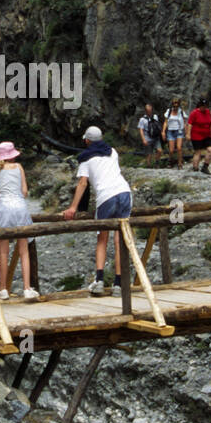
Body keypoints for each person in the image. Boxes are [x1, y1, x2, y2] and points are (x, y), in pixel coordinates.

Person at [62, 126, 133, 296]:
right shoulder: (113, 152)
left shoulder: (85, 159)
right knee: (119, 240)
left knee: (102, 238)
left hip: (106, 197)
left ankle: (99, 280)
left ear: (87, 140)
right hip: (124, 192)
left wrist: (73, 207)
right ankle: (118, 284)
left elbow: (83, 184)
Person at [0, 142, 39, 301]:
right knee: (24, 251)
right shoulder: (19, 167)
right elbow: (24, 192)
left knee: (3, 252)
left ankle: (3, 289)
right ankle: (27, 288)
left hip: (5, 210)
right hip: (21, 209)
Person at [187, 97, 211, 174]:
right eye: (203, 106)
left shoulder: (208, 112)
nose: (205, 107)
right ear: (200, 105)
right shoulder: (194, 113)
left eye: (206, 105)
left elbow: (210, 122)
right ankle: (195, 168)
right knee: (198, 152)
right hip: (196, 135)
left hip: (206, 135)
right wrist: (188, 134)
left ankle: (205, 166)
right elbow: (189, 124)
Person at [163, 98, 187, 168]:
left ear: (178, 105)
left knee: (179, 148)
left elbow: (185, 123)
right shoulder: (169, 111)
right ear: (172, 104)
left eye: (177, 104)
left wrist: (187, 132)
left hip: (179, 131)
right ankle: (170, 161)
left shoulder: (181, 112)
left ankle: (180, 163)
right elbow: (165, 122)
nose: (175, 106)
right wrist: (163, 131)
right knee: (171, 150)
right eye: (174, 104)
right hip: (170, 131)